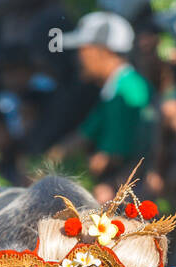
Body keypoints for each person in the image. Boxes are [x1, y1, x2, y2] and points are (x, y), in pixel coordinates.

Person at [49, 11, 154, 181]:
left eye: (81, 50)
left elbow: (113, 157)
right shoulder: (114, 89)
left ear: (102, 50)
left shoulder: (127, 91)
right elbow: (81, 137)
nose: (76, 57)